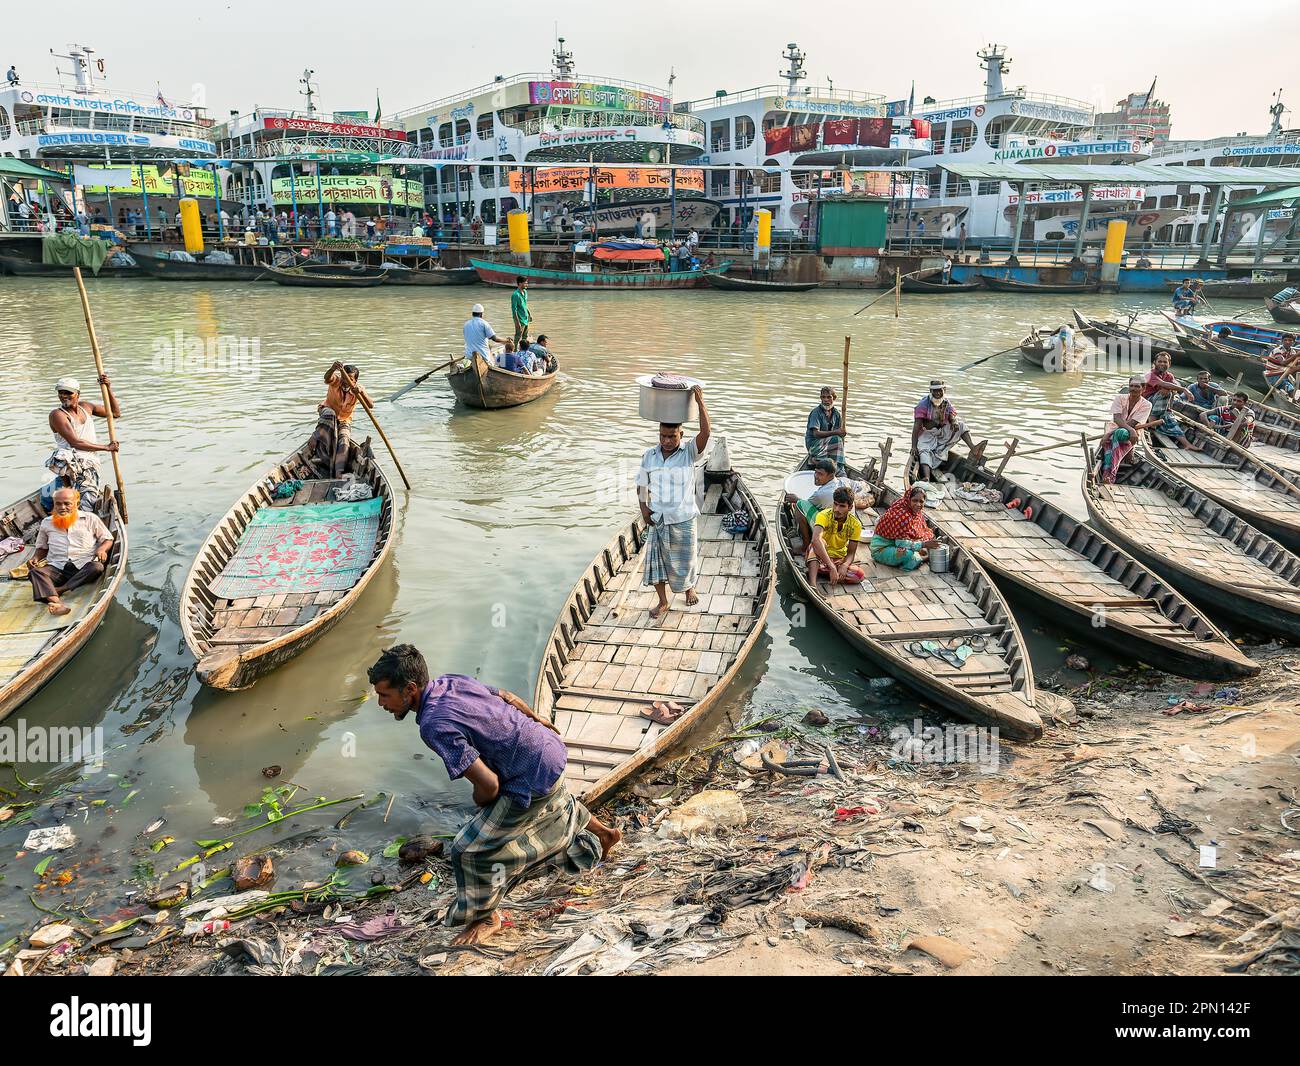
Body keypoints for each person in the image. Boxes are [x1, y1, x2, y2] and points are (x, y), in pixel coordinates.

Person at [368, 644, 620, 945]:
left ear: (409, 689)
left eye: (384, 695)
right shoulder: (450, 682)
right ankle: (605, 834)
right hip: (549, 748)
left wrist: (481, 802)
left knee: (467, 849)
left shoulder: (433, 725)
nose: (381, 703)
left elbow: (489, 786)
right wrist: (537, 720)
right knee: (554, 796)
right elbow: (507, 697)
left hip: (530, 771)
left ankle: (487, 918)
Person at [638, 385, 710, 619]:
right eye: (663, 436)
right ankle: (663, 601)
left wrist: (700, 403)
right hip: (658, 516)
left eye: (672, 436)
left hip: (683, 516)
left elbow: (706, 434)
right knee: (657, 563)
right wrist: (645, 511)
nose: (667, 441)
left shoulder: (689, 452)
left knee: (686, 559)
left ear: (681, 435)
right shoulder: (650, 455)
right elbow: (641, 485)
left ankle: (689, 588)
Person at [27, 487, 113, 617]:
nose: (62, 507)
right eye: (58, 504)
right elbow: (42, 548)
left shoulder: (90, 519)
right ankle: (58, 604)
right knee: (35, 572)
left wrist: (101, 549)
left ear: (77, 504)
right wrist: (35, 558)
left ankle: (60, 590)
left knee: (97, 567)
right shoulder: (46, 523)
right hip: (57, 568)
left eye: (67, 503)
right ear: (54, 504)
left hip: (83, 567)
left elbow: (108, 539)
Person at [45, 375, 121, 512]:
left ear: (77, 394)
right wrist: (106, 447)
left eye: (68, 392)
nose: (63, 396)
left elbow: (115, 413)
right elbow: (75, 442)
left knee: (79, 497)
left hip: (90, 462)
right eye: (60, 392)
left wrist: (108, 387)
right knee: (82, 502)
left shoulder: (86, 407)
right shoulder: (57, 415)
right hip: (72, 465)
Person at [912, 381, 984, 482]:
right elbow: (916, 426)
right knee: (923, 451)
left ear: (944, 391)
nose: (937, 393)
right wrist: (914, 446)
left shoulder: (945, 401)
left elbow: (951, 415)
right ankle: (927, 477)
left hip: (941, 431)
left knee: (961, 425)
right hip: (927, 434)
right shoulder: (923, 404)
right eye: (935, 391)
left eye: (940, 391)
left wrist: (954, 422)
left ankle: (973, 448)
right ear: (930, 391)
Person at [310, 362, 369, 478]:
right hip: (327, 412)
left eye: (350, 379)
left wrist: (361, 393)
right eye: (344, 378)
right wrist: (332, 369)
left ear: (355, 381)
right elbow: (327, 377)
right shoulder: (336, 381)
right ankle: (315, 437)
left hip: (344, 421)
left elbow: (370, 405)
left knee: (344, 442)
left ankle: (338, 473)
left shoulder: (357, 389)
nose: (346, 381)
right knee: (330, 414)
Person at [1099, 375, 1157, 483]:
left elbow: (1133, 423)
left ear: (1143, 389)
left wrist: (1109, 434)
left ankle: (1109, 474)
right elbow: (1116, 418)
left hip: (1132, 432)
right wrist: (1126, 430)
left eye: (1137, 386)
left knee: (1118, 434)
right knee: (1116, 435)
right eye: (1131, 386)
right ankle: (1111, 471)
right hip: (1121, 429)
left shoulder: (1147, 404)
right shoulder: (1120, 398)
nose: (1133, 389)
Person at [870, 485, 940, 570]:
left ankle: (917, 556)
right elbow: (901, 543)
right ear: (908, 500)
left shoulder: (915, 512)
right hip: (881, 549)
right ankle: (921, 560)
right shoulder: (903, 516)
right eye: (915, 500)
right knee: (908, 554)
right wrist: (923, 544)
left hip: (894, 543)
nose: (918, 504)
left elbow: (916, 533)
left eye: (921, 501)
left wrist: (923, 543)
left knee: (922, 544)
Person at [807, 485, 865, 585]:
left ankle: (823, 571)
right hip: (820, 555)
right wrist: (831, 566)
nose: (837, 509)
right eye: (835, 504)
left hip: (838, 559)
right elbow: (815, 540)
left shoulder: (856, 524)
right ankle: (813, 584)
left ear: (850, 507)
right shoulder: (823, 515)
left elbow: (851, 552)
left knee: (859, 576)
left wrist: (845, 565)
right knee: (818, 543)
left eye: (842, 506)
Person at [1143, 351, 1196, 447]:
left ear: (1169, 364)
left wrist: (1176, 389)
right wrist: (1184, 389)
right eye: (1160, 361)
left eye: (1165, 362)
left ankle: (1187, 444)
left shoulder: (1169, 375)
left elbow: (1176, 384)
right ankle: (1152, 424)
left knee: (1170, 418)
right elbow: (1164, 384)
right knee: (1165, 391)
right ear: (1155, 363)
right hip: (1147, 404)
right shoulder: (1149, 374)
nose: (1162, 364)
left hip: (1162, 405)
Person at [805, 386, 845, 469]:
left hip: (827, 444)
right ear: (821, 398)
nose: (826, 400)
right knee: (837, 439)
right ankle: (815, 459)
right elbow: (816, 434)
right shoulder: (816, 412)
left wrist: (841, 433)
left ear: (834, 398)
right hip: (814, 445)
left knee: (839, 440)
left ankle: (838, 465)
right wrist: (836, 432)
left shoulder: (836, 414)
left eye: (829, 397)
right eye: (823, 397)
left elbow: (839, 434)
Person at [1264, 334, 1300, 402]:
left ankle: (1294, 398)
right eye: (1285, 340)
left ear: (1293, 342)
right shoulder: (1277, 350)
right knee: (1291, 389)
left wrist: (1297, 357)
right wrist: (1296, 355)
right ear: (1282, 341)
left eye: (1290, 340)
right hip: (1273, 374)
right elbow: (1283, 363)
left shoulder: (1292, 351)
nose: (1287, 342)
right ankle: (1294, 401)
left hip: (1283, 373)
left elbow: (1295, 364)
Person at [510, 276, 531, 349]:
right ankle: (515, 350)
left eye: (527, 283)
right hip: (520, 319)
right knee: (518, 337)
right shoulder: (515, 295)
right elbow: (514, 310)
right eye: (525, 283)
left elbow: (525, 304)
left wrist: (529, 314)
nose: (527, 285)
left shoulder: (525, 292)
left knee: (525, 336)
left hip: (526, 318)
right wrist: (517, 322)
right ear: (520, 283)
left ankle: (523, 350)